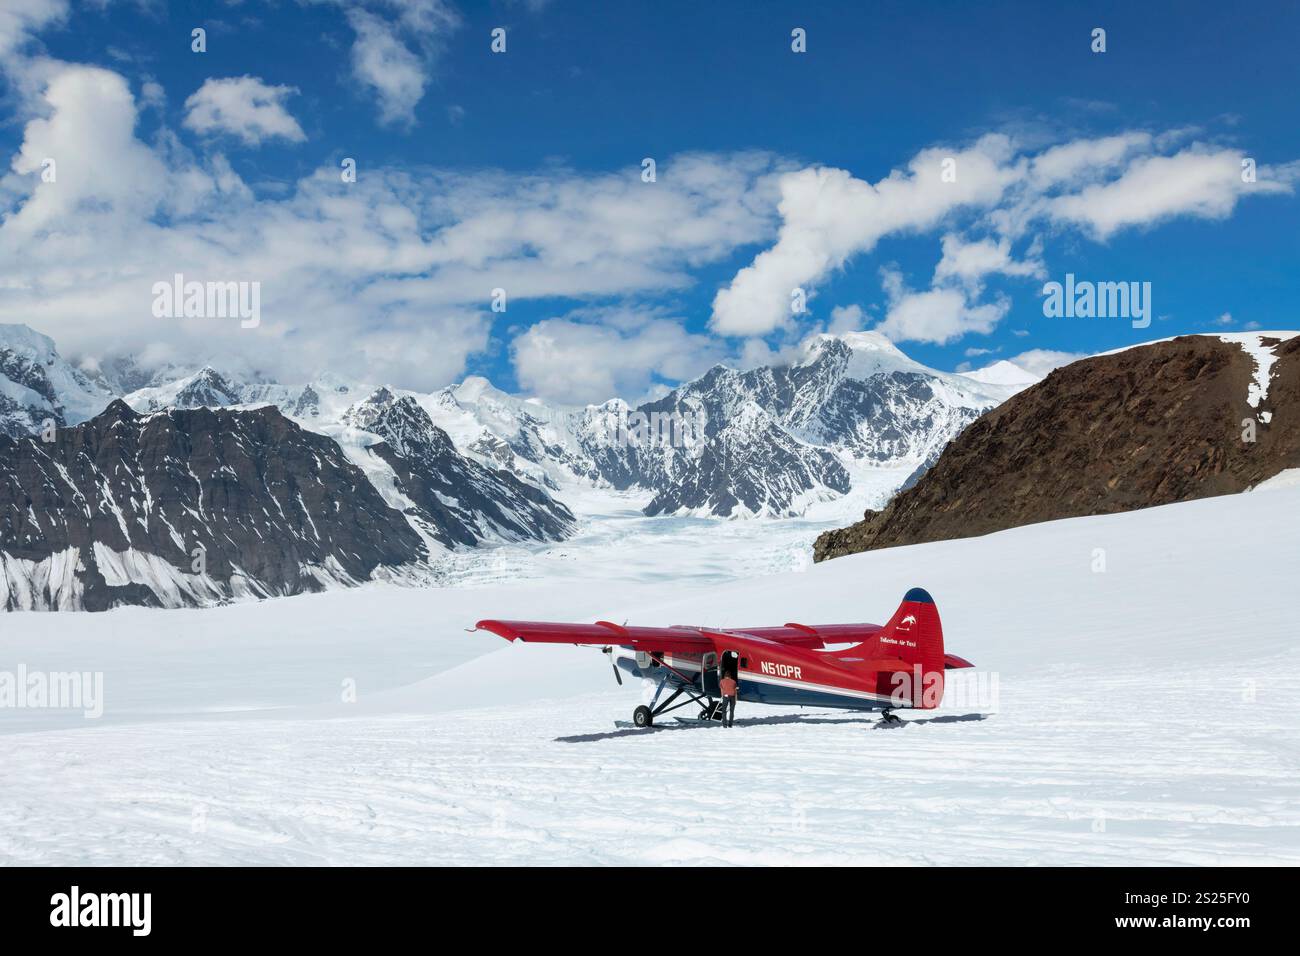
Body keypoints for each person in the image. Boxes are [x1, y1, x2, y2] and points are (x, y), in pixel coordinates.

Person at [719, 657, 738, 728]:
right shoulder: (733, 681)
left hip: (725, 696)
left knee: (724, 711)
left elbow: (721, 689)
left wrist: (722, 696)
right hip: (732, 696)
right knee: (731, 711)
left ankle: (724, 725)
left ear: (725, 675)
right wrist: (736, 699)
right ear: (730, 675)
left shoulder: (722, 681)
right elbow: (735, 691)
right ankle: (730, 724)